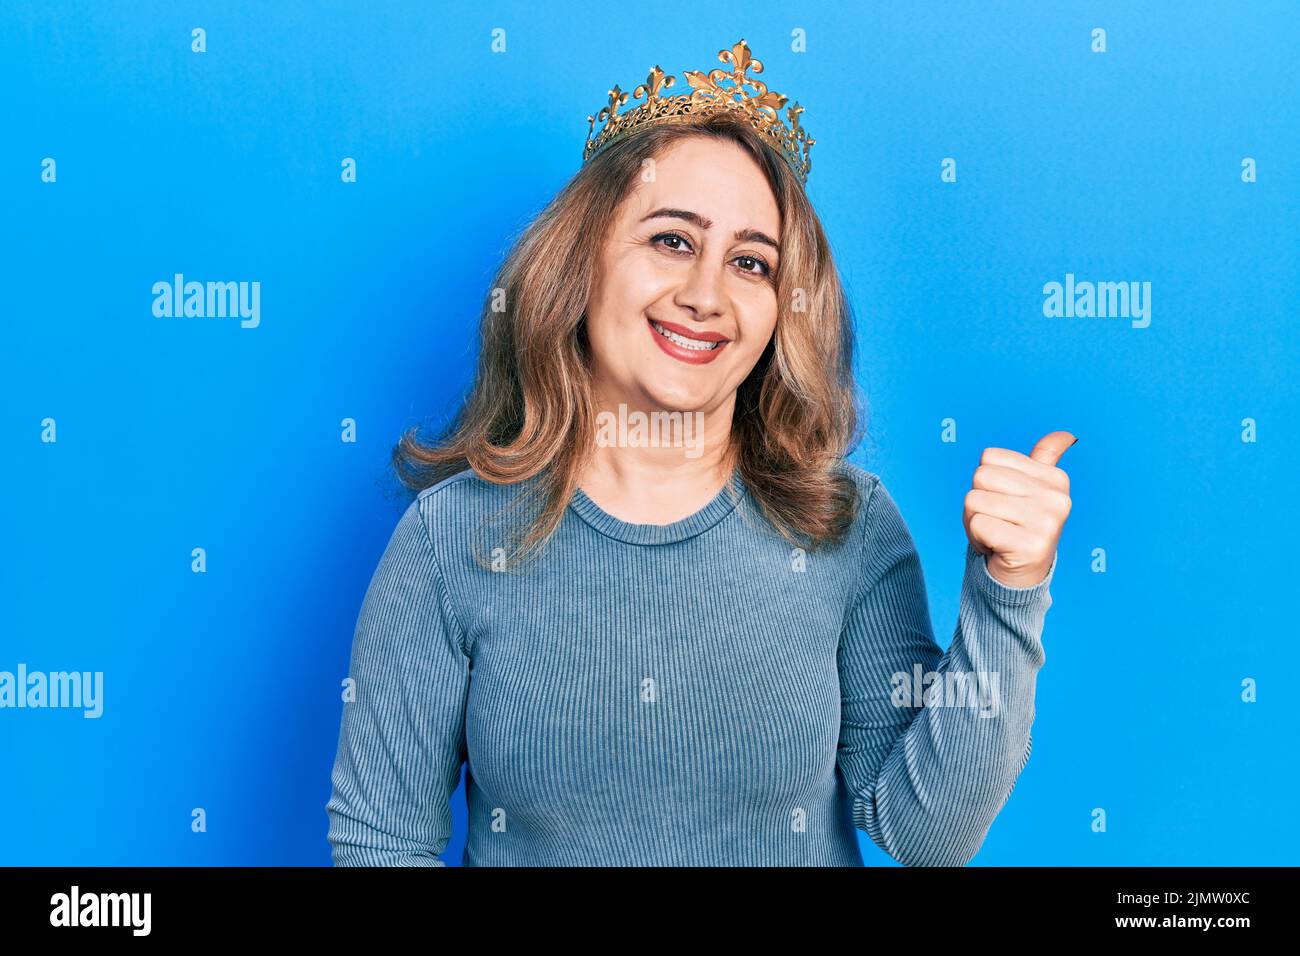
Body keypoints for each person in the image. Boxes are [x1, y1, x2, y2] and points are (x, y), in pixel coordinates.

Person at [325, 38, 1075, 866]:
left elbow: (929, 834)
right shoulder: (450, 540)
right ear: (580, 263)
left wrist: (1008, 590)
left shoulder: (846, 526)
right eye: (672, 241)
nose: (706, 296)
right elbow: (380, 843)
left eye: (750, 263)